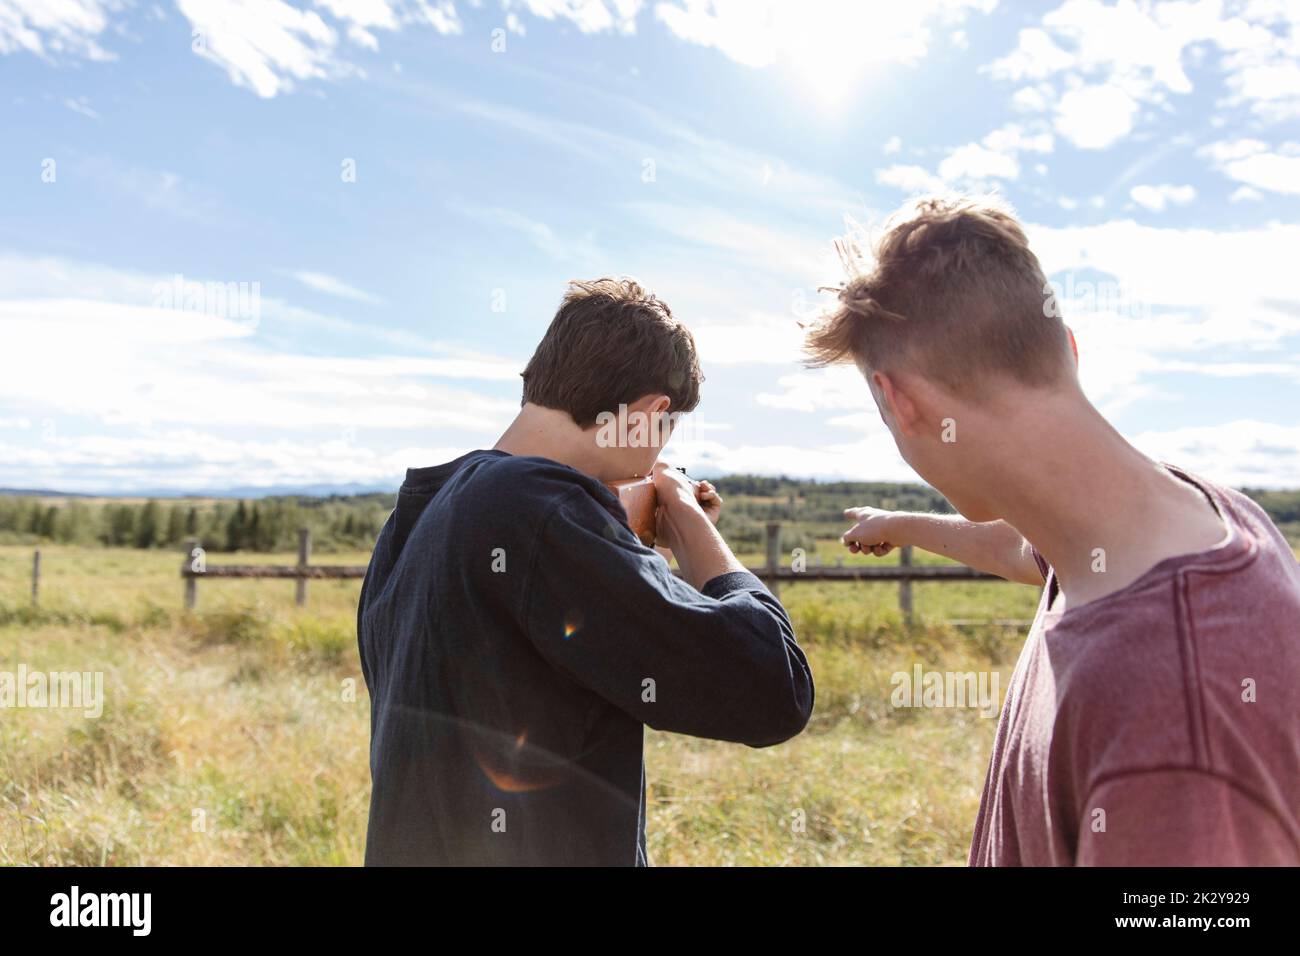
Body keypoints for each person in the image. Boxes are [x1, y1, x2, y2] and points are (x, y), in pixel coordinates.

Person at [805, 196, 1300, 866]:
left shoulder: (1173, 729)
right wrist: (905, 526)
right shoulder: (1179, 515)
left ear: (899, 401)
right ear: (1066, 348)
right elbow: (1027, 548)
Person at [357, 277, 814, 866]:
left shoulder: (416, 512)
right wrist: (692, 526)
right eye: (668, 433)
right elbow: (774, 690)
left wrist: (627, 548)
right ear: (650, 414)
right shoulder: (541, 506)